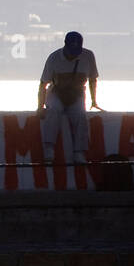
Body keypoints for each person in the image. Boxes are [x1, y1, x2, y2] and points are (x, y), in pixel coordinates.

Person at [38, 31, 104, 166]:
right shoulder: (54, 58)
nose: (74, 54)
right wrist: (40, 106)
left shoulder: (88, 56)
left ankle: (78, 152)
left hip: (77, 94)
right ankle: (49, 149)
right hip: (57, 92)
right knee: (54, 110)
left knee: (80, 115)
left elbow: (92, 80)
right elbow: (43, 84)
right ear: (65, 45)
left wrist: (94, 101)